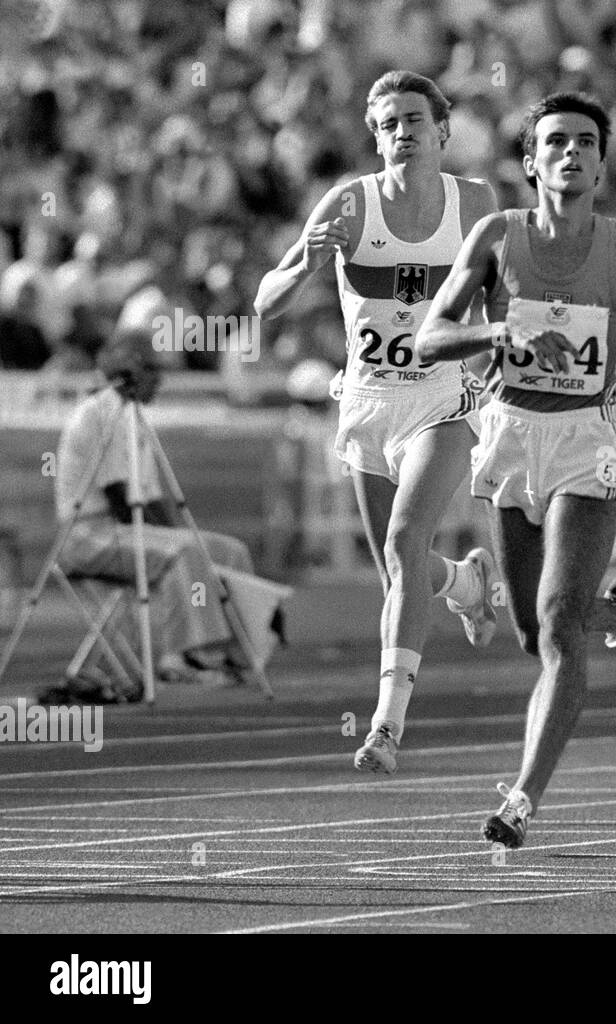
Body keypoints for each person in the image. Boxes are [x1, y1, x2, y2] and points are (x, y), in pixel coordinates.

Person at [416, 92, 616, 848]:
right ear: (530, 162)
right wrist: (498, 331)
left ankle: (521, 799)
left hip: (586, 442)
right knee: (535, 634)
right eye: (555, 142)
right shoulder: (497, 236)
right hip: (508, 435)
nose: (571, 153)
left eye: (585, 143)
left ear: (600, 162)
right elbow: (431, 338)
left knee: (560, 625)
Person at [255, 71, 499, 774]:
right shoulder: (348, 205)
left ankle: (386, 727)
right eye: (388, 122)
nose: (402, 132)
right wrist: (305, 262)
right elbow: (265, 302)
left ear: (442, 130)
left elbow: (502, 304)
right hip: (367, 401)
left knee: (401, 540)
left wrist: (498, 357)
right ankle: (464, 583)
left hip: (441, 397)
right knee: (402, 570)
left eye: (414, 119)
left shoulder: (476, 205)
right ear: (375, 133)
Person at [55, 332, 259, 684]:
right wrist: (176, 538)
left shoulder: (131, 416)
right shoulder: (103, 413)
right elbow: (121, 499)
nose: (160, 380)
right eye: (151, 370)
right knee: (185, 551)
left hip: (118, 530)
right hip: (88, 534)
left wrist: (178, 533)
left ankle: (238, 650)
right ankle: (184, 655)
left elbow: (151, 499)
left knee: (229, 551)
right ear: (128, 371)